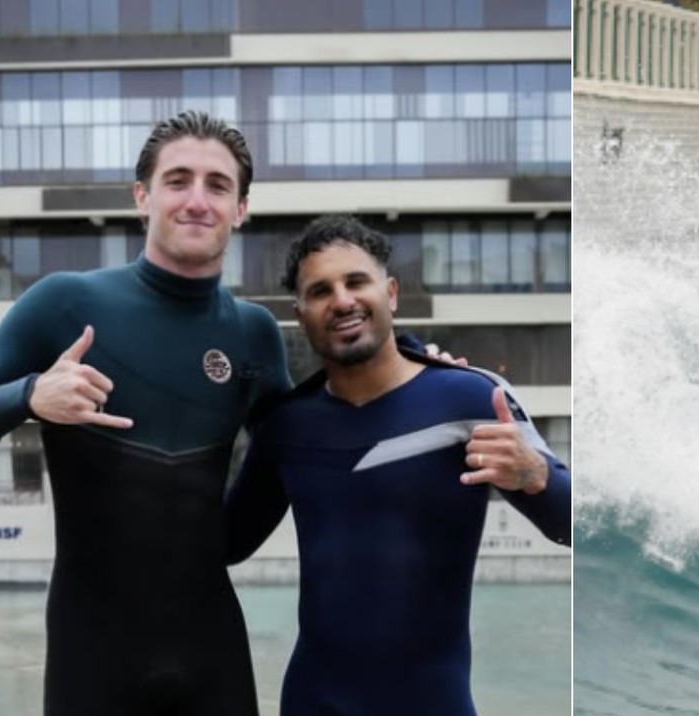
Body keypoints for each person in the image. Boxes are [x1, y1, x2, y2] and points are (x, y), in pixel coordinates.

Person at [0, 109, 291, 715]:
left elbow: (301, 450)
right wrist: (29, 396)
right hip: (91, 660)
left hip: (212, 655)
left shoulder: (254, 335)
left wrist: (424, 374)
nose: (197, 200)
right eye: (178, 180)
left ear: (241, 209)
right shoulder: (65, 304)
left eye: (217, 185)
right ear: (142, 196)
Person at [223, 214, 571, 716]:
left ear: (390, 293)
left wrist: (537, 475)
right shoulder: (287, 425)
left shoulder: (471, 398)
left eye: (356, 282)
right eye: (320, 291)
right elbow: (226, 544)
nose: (342, 300)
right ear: (301, 315)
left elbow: (574, 526)